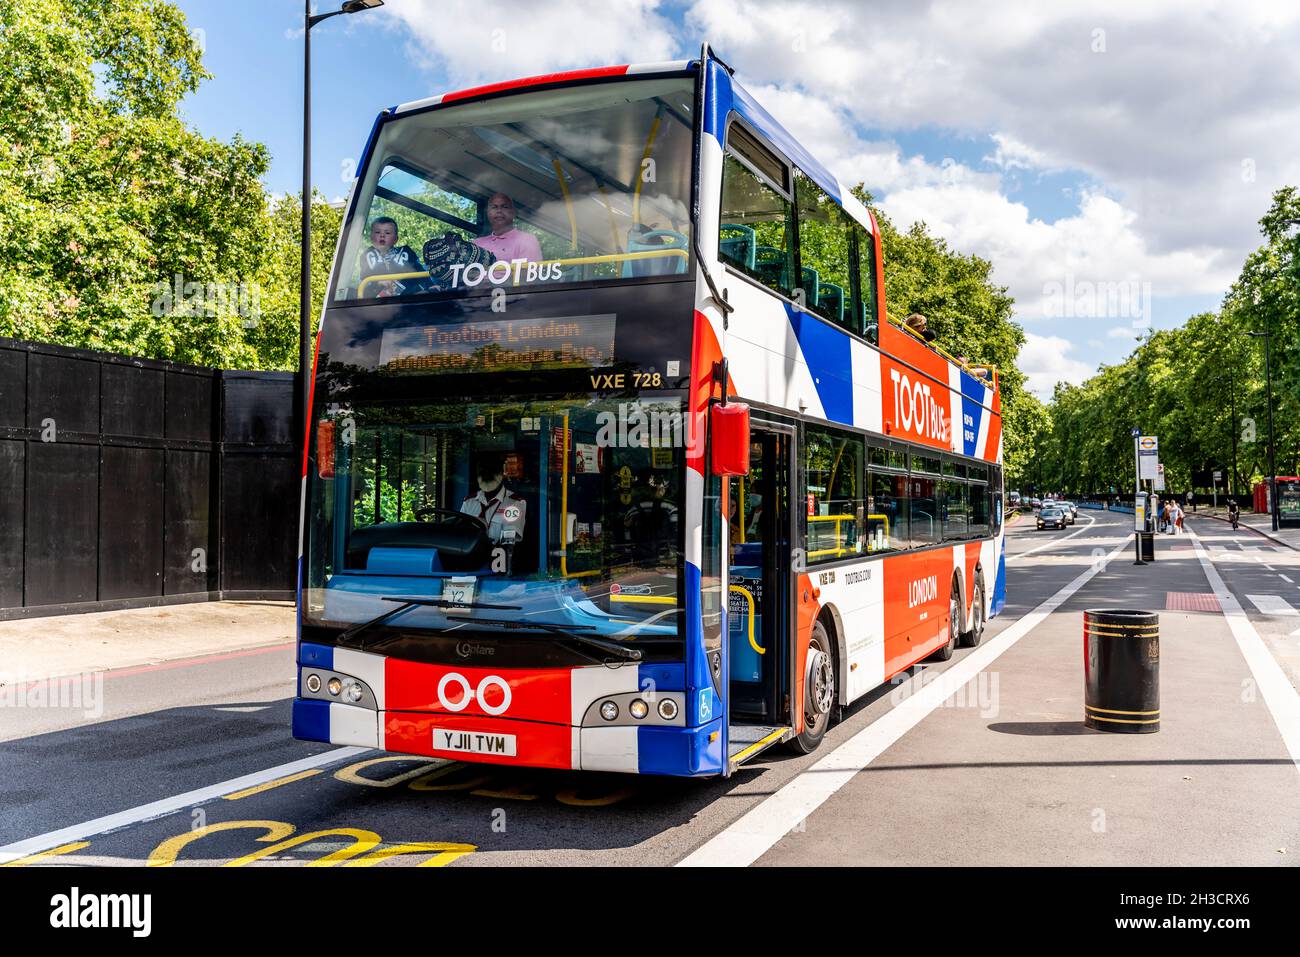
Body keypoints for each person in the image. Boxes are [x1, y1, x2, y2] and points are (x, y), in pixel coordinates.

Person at [460, 452, 528, 548]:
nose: (486, 476)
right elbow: (461, 534)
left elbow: (508, 542)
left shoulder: (515, 503)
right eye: (482, 472)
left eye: (491, 471)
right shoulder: (468, 502)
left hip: (498, 558)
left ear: (501, 474)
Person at [358, 217, 423, 297]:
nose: (382, 235)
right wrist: (378, 282)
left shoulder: (405, 253)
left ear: (396, 239)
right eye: (377, 232)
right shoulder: (368, 255)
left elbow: (420, 272)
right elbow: (365, 277)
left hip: (407, 297)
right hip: (378, 300)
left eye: (387, 233)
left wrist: (430, 285)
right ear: (371, 237)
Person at [473, 192, 543, 264]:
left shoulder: (527, 239)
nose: (499, 211)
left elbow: (527, 273)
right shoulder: (477, 244)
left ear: (513, 212)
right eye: (494, 207)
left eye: (504, 207)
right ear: (488, 213)